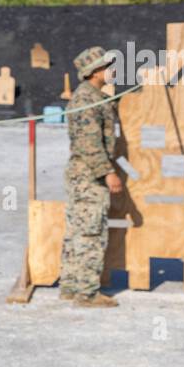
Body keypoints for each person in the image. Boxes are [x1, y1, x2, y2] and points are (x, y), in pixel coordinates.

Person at [59, 46, 124, 308]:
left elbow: (108, 111)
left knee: (77, 231)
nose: (112, 71)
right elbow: (89, 143)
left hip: (81, 175)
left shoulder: (91, 96)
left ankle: (71, 286)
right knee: (91, 233)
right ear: (96, 71)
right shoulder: (86, 100)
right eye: (108, 67)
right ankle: (86, 293)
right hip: (89, 176)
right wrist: (107, 172)